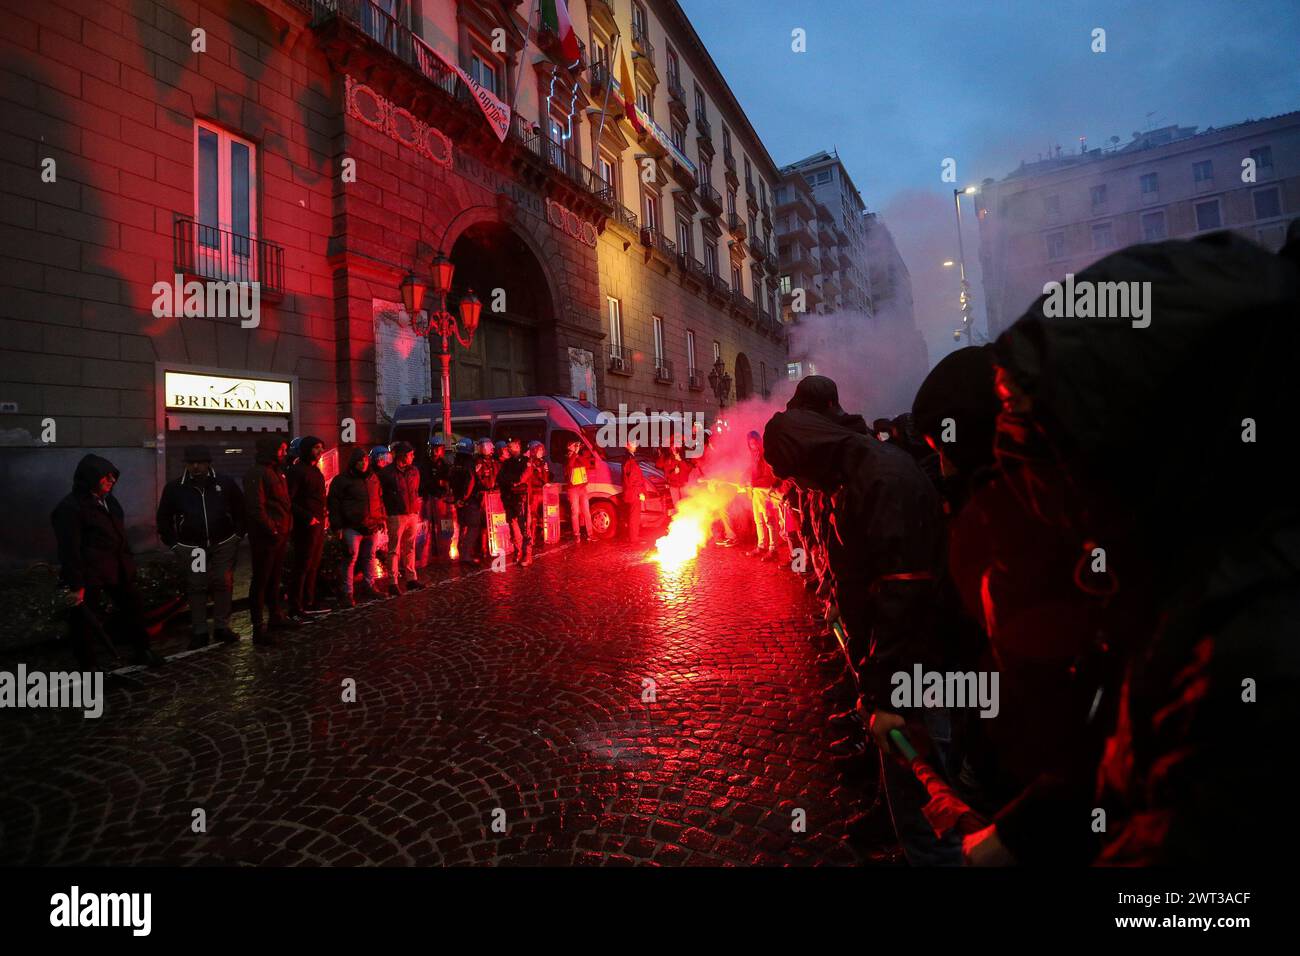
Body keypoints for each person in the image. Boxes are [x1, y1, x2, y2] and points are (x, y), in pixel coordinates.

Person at [766, 379, 956, 865]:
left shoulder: (880, 477)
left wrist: (887, 691)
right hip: (897, 662)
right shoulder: (855, 472)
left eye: (796, 476)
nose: (799, 488)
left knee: (926, 788)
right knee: (905, 778)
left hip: (918, 666)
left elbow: (903, 590)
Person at [51, 454, 164, 669]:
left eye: (113, 476)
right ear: (91, 478)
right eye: (106, 477)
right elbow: (69, 549)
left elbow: (119, 534)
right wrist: (76, 585)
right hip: (89, 573)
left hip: (117, 569)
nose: (112, 481)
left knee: (134, 608)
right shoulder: (70, 508)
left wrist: (129, 565)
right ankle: (89, 667)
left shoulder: (109, 501)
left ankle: (142, 650)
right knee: (83, 621)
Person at [156, 445, 245, 648]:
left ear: (207, 463)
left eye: (199, 463)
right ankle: (200, 630)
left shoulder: (224, 482)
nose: (195, 467)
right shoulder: (175, 487)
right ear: (186, 464)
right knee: (197, 587)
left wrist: (237, 535)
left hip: (222, 543)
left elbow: (240, 508)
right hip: (193, 547)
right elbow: (163, 517)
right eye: (191, 463)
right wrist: (174, 543)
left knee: (223, 583)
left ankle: (222, 627)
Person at [243, 436, 296, 645]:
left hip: (279, 534)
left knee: (274, 578)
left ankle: (275, 616)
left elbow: (283, 503)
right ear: (271, 450)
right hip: (266, 538)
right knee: (261, 581)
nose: (284, 453)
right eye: (281, 449)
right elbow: (256, 507)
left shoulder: (277, 471)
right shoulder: (257, 473)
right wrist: (272, 529)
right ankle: (258, 628)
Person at [328, 446, 387, 606]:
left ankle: (369, 585)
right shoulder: (342, 480)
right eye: (360, 461)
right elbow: (334, 504)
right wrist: (337, 526)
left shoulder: (373, 477)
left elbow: (379, 499)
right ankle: (347, 592)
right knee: (350, 559)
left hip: (372, 525)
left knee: (369, 557)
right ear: (354, 462)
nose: (363, 463)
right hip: (351, 526)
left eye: (365, 460)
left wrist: (381, 518)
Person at [286, 435, 329, 618]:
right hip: (305, 526)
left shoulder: (316, 471)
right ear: (306, 450)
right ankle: (296, 606)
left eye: (321, 447)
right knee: (302, 566)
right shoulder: (297, 471)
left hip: (318, 524)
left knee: (313, 565)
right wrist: (307, 517)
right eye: (316, 447)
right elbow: (289, 500)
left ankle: (309, 602)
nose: (320, 451)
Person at [378, 440, 423, 593]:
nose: (413, 457)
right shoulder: (387, 473)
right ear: (403, 456)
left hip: (412, 513)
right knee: (394, 549)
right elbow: (382, 494)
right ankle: (393, 582)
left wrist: (416, 509)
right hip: (396, 514)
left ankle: (411, 578)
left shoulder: (414, 471)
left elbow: (415, 490)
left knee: (410, 547)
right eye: (410, 455)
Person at [746, 430, 780, 560]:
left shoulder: (766, 455)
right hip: (756, 492)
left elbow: (770, 476)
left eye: (755, 443)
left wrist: (755, 482)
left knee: (770, 520)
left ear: (759, 442)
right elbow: (751, 471)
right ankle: (761, 546)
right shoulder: (753, 455)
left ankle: (773, 549)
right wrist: (747, 480)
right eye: (751, 444)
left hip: (767, 492)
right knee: (758, 520)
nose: (753, 446)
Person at [497, 437, 530, 565]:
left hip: (521, 499)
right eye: (508, 446)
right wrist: (511, 481)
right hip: (509, 498)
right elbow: (500, 478)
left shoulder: (525, 461)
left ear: (518, 446)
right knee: (513, 527)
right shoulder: (507, 463)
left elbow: (523, 477)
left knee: (525, 528)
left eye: (510, 446)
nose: (508, 449)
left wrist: (513, 480)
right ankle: (518, 551)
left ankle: (527, 554)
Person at [449, 437, 479, 563]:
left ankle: (461, 552)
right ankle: (466, 554)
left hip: (458, 500)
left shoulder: (455, 462)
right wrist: (464, 497)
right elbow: (471, 481)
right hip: (469, 500)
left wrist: (457, 499)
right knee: (473, 525)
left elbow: (451, 480)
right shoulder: (469, 462)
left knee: (462, 526)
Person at [472, 437, 502, 560]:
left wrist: (496, 487)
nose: (491, 449)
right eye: (489, 446)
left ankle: (494, 546)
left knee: (493, 522)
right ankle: (483, 549)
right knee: (484, 523)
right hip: (483, 497)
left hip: (493, 497)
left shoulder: (494, 462)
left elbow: (499, 476)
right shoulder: (478, 463)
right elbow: (478, 479)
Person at [521, 440, 550, 563]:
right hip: (532, 492)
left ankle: (537, 535)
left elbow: (545, 479)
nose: (541, 452)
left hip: (540, 491)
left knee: (539, 516)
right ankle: (530, 537)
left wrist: (545, 470)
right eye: (538, 450)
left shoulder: (542, 462)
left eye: (541, 450)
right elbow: (528, 478)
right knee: (530, 517)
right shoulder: (529, 462)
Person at [565, 439, 596, 542]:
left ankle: (590, 534)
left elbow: (587, 464)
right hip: (573, 489)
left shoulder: (578, 457)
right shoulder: (567, 457)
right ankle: (576, 535)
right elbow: (570, 465)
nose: (577, 447)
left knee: (586, 512)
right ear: (569, 447)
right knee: (575, 512)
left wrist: (577, 455)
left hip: (582, 488)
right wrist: (575, 454)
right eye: (574, 446)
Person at [620, 439, 645, 543]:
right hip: (634, 493)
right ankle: (634, 539)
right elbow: (634, 479)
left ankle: (633, 537)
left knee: (632, 515)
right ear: (628, 446)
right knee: (634, 516)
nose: (636, 445)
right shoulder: (630, 459)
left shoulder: (629, 458)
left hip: (631, 492)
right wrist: (640, 492)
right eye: (633, 443)